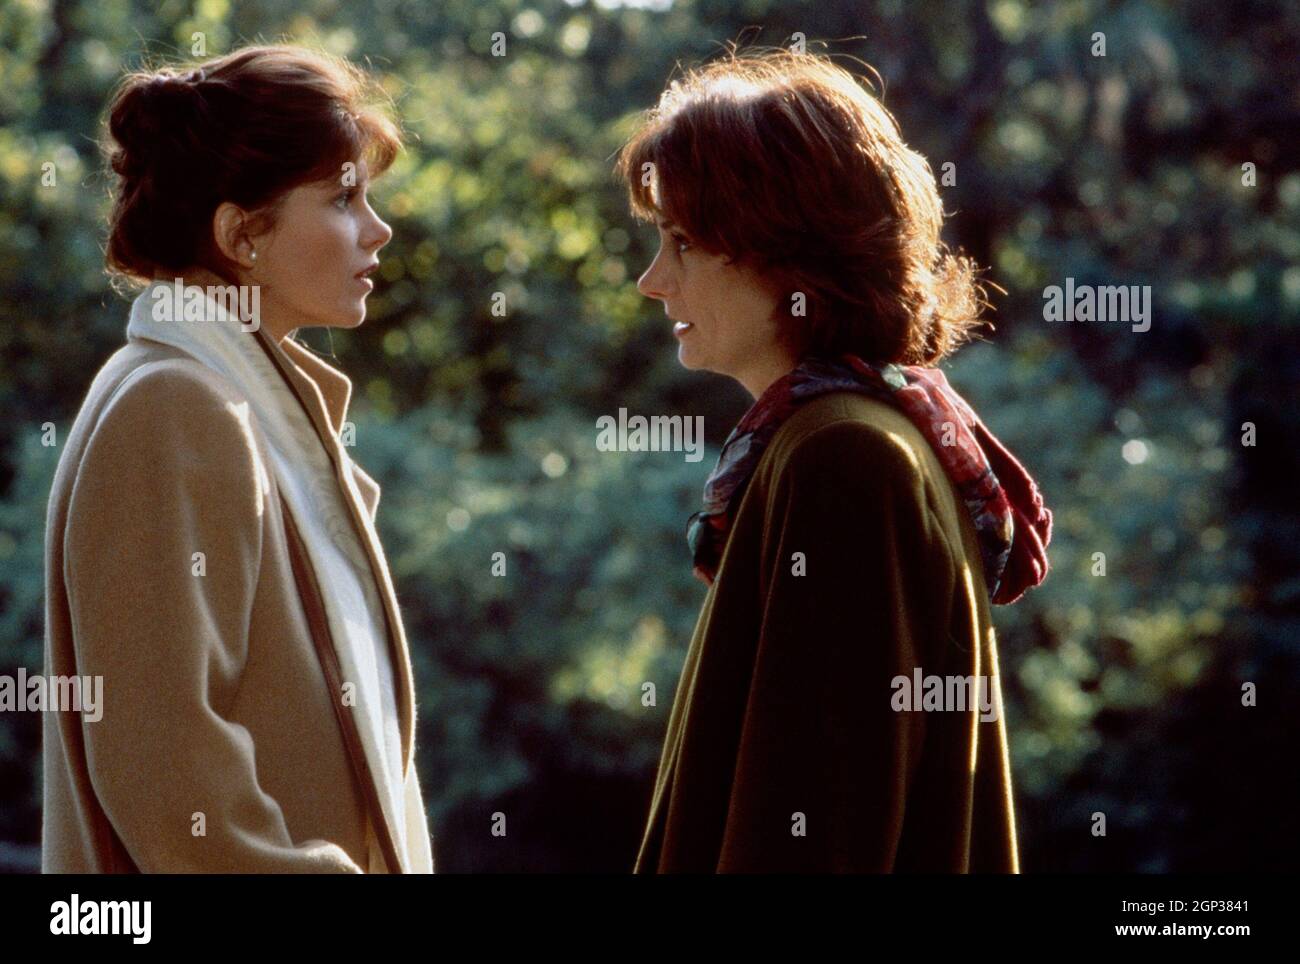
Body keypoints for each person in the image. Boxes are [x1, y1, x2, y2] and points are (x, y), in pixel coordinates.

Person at [615, 48, 1053, 872]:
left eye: (680, 240)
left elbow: (815, 827)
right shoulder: (837, 435)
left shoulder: (844, 454)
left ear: (784, 252)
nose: (651, 280)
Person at [42, 44, 434, 873]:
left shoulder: (222, 398)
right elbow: (170, 779)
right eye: (342, 199)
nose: (379, 228)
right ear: (238, 233)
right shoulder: (177, 407)